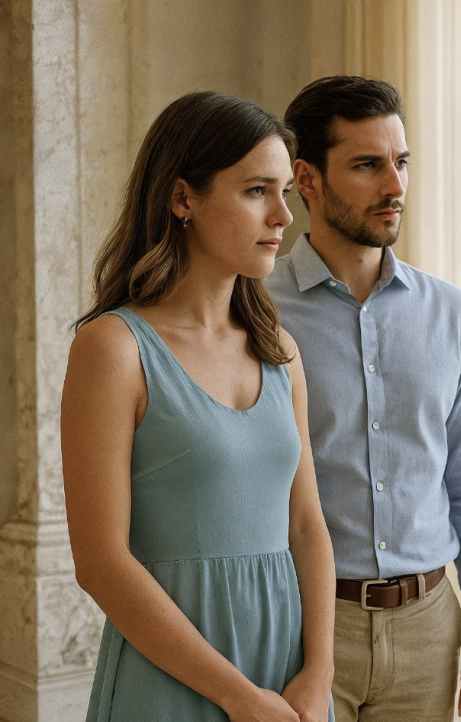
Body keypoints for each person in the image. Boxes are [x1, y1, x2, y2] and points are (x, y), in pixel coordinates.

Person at [62, 92, 336, 722]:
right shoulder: (113, 348)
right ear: (182, 198)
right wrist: (239, 699)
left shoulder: (279, 350)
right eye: (256, 191)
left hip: (288, 678)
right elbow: (101, 563)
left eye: (285, 194)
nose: (283, 218)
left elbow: (307, 526)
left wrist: (318, 675)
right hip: (173, 679)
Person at [265, 76, 461, 722]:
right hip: (302, 627)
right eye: (368, 165)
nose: (396, 185)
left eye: (401, 162)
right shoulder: (255, 312)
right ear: (307, 180)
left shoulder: (452, 314)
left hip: (431, 627)